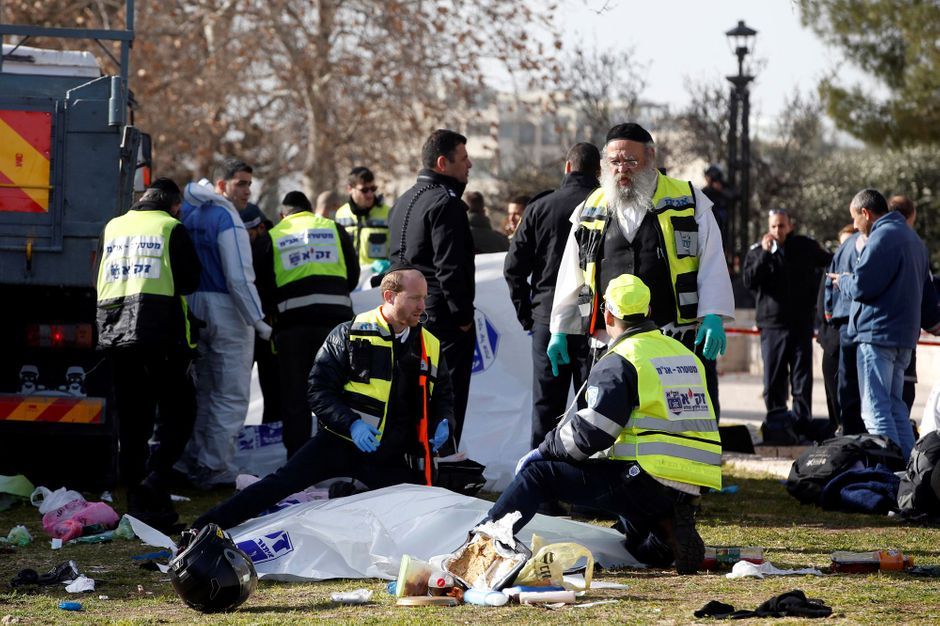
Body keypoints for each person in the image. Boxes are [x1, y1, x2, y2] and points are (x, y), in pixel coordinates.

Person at [486, 274, 721, 575]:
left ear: (607, 314)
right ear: (649, 312)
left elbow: (592, 433)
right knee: (631, 547)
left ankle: (486, 541)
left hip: (646, 477)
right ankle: (664, 533)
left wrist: (545, 449)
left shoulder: (622, 359)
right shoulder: (685, 355)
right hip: (691, 483)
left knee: (538, 476)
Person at [192, 268, 454, 530]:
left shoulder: (429, 345)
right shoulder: (349, 334)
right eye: (415, 298)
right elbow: (318, 390)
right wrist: (352, 424)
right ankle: (202, 528)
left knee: (419, 515)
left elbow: (442, 396)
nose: (423, 306)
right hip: (338, 440)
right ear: (389, 296)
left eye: (424, 297)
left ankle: (346, 497)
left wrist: (444, 421)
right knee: (279, 484)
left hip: (390, 453)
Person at [549, 123, 734, 418]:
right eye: (614, 162)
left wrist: (713, 315)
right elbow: (572, 273)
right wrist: (559, 329)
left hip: (675, 340)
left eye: (630, 161)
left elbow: (712, 261)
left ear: (650, 158)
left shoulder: (688, 201)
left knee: (681, 421)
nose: (622, 169)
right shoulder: (590, 208)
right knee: (605, 423)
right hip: (609, 344)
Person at [95, 177, 201, 529]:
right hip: (160, 335)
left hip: (114, 331)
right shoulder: (171, 227)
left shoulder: (113, 226)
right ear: (174, 205)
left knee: (132, 421)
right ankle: (156, 479)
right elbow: (188, 281)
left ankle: (137, 501)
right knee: (180, 412)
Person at [176, 159, 272, 490]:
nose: (247, 190)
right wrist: (258, 321)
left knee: (202, 392)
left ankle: (192, 460)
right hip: (228, 310)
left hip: (194, 307)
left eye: (249, 184)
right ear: (221, 185)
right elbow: (239, 277)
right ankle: (214, 466)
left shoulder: (190, 212)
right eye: (240, 183)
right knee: (230, 394)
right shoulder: (227, 217)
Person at [830, 189, 940, 460]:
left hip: (877, 335)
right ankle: (909, 472)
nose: (855, 226)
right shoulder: (914, 240)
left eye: (855, 219)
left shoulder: (881, 237)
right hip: (903, 338)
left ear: (866, 213)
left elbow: (863, 285)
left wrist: (842, 280)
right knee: (896, 407)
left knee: (875, 410)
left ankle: (890, 474)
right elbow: (926, 294)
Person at [504, 142, 600, 448]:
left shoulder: (540, 207)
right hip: (594, 319)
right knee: (594, 405)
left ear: (568, 167)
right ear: (599, 171)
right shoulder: (605, 205)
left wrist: (528, 316)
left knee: (547, 408)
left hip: (547, 318)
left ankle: (541, 480)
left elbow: (514, 269)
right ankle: (588, 478)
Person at [255, 190, 359, 457]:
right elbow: (353, 275)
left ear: (283, 214)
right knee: (337, 392)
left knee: (296, 396)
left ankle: (298, 462)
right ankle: (338, 456)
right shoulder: (333, 229)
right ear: (310, 210)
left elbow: (262, 285)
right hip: (337, 325)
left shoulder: (274, 235)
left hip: (293, 328)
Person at [388, 129, 475, 448]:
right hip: (442, 320)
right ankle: (441, 467)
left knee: (409, 399)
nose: (470, 165)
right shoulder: (445, 202)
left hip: (403, 318)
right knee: (444, 402)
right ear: (443, 163)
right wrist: (464, 317)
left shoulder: (402, 201)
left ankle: (412, 468)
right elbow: (450, 268)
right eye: (464, 158)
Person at [742, 208, 832, 443]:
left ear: (790, 226)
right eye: (773, 226)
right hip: (772, 326)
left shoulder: (805, 246)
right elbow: (749, 281)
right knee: (773, 379)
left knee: (802, 379)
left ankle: (802, 425)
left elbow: (831, 262)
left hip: (801, 325)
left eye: (782, 226)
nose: (777, 230)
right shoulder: (757, 251)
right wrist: (765, 254)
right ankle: (777, 424)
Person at [240, 203, 280, 425]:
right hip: (258, 324)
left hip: (265, 325)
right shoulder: (256, 245)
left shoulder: (266, 247)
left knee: (271, 386)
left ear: (260, 228)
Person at [816, 224, 857, 434]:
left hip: (854, 338)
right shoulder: (831, 269)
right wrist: (826, 339)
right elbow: (823, 306)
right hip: (833, 342)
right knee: (833, 394)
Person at [889, 195, 921, 414]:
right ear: (911, 216)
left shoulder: (878, 241)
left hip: (880, 334)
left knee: (882, 402)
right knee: (900, 402)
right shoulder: (917, 246)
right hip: (906, 335)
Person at [335, 167, 392, 268]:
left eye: (373, 189)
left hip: (378, 278)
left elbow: (398, 248)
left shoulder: (388, 213)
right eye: (364, 190)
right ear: (350, 189)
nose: (370, 194)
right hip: (350, 278)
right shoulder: (341, 214)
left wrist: (389, 263)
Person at [701, 164, 731, 252]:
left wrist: (720, 190)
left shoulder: (723, 187)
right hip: (709, 227)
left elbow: (733, 194)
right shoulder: (706, 191)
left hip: (722, 225)